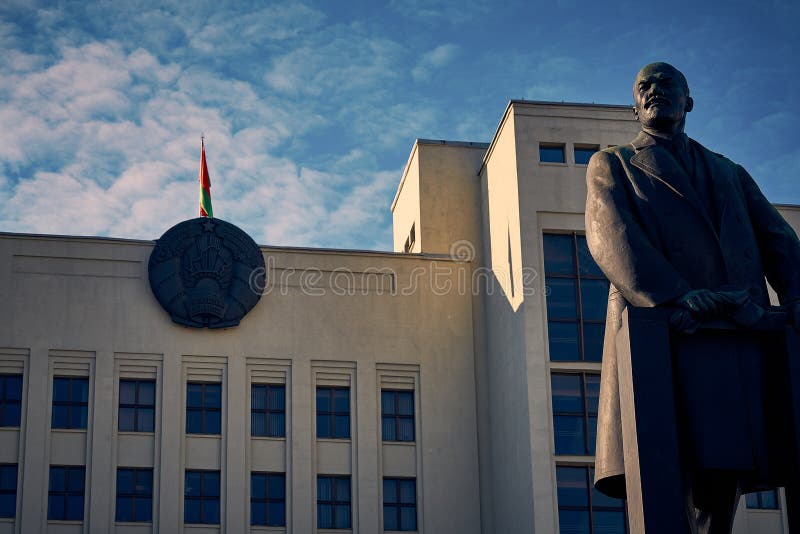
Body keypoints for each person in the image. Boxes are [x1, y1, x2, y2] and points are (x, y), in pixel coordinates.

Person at [584, 62, 800, 533]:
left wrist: (797, 296)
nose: (656, 91)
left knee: (725, 473)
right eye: (646, 86)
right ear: (635, 105)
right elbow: (612, 240)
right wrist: (678, 297)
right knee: (666, 468)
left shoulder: (729, 172)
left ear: (689, 101)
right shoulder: (613, 163)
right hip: (661, 334)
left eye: (667, 84)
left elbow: (778, 239)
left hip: (732, 334)